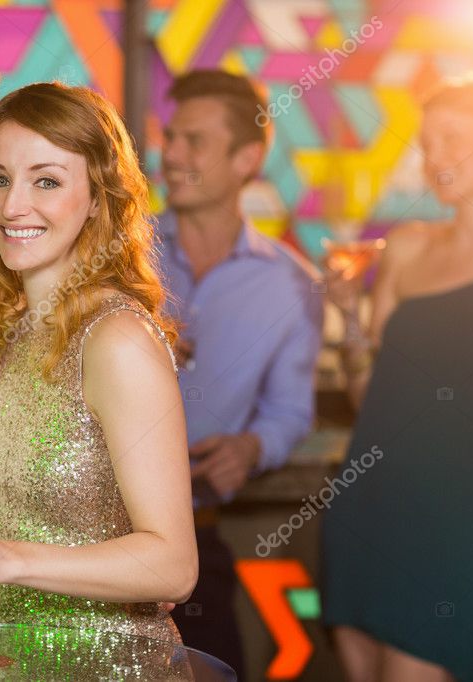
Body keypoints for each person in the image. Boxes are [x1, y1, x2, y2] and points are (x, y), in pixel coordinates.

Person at [0, 82, 198, 643]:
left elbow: (174, 566)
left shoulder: (116, 339)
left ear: (97, 198)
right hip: (1, 661)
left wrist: (5, 558)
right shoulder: (7, 336)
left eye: (46, 181)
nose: (12, 206)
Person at [320, 71, 473, 682]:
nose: (435, 156)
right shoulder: (406, 249)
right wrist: (347, 315)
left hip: (466, 524)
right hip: (373, 503)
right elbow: (369, 396)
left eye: (452, 138)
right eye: (427, 143)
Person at [155, 70, 323, 676]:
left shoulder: (293, 285)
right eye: (171, 137)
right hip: (79, 534)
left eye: (194, 141)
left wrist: (252, 447)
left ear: (246, 159)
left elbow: (289, 412)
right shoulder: (116, 253)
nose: (171, 154)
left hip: (195, 541)